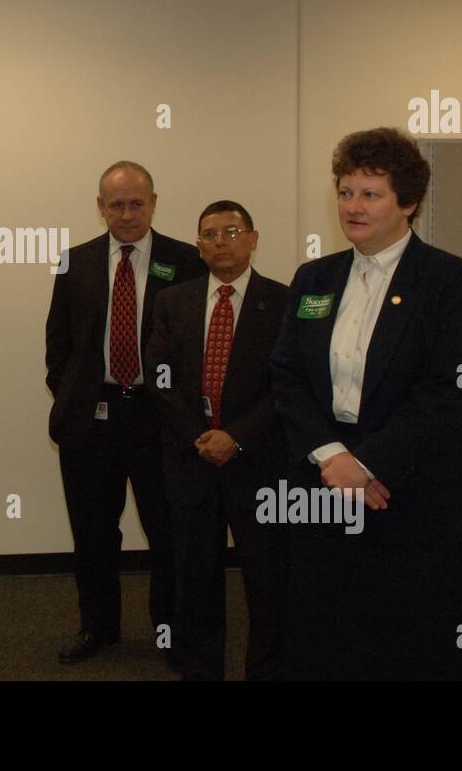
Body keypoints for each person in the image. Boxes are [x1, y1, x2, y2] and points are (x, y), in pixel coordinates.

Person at [268, 127, 462, 680]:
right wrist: (332, 457)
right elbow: (286, 374)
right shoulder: (314, 278)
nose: (353, 206)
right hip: (329, 481)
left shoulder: (453, 280)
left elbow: (450, 387)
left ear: (409, 202)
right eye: (345, 191)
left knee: (421, 642)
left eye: (370, 194)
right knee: (335, 633)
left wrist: (367, 462)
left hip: (424, 488)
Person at [45, 161, 203, 663]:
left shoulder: (186, 260)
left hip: (161, 418)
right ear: (100, 208)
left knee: (167, 531)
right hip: (94, 417)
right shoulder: (75, 262)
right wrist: (74, 393)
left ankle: (170, 631)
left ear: (154, 203)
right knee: (93, 532)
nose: (128, 214)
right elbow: (58, 344)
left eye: (138, 203)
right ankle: (98, 628)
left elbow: (193, 346)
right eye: (117, 204)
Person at [146, 201, 290, 680]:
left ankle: (266, 671)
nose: (221, 241)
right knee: (195, 576)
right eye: (210, 234)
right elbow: (159, 377)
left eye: (232, 231)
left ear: (253, 238)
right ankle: (201, 668)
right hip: (192, 460)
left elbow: (288, 384)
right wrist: (199, 438)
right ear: (199, 247)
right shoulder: (173, 302)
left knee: (267, 579)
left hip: (260, 461)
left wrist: (237, 436)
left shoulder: (284, 302)